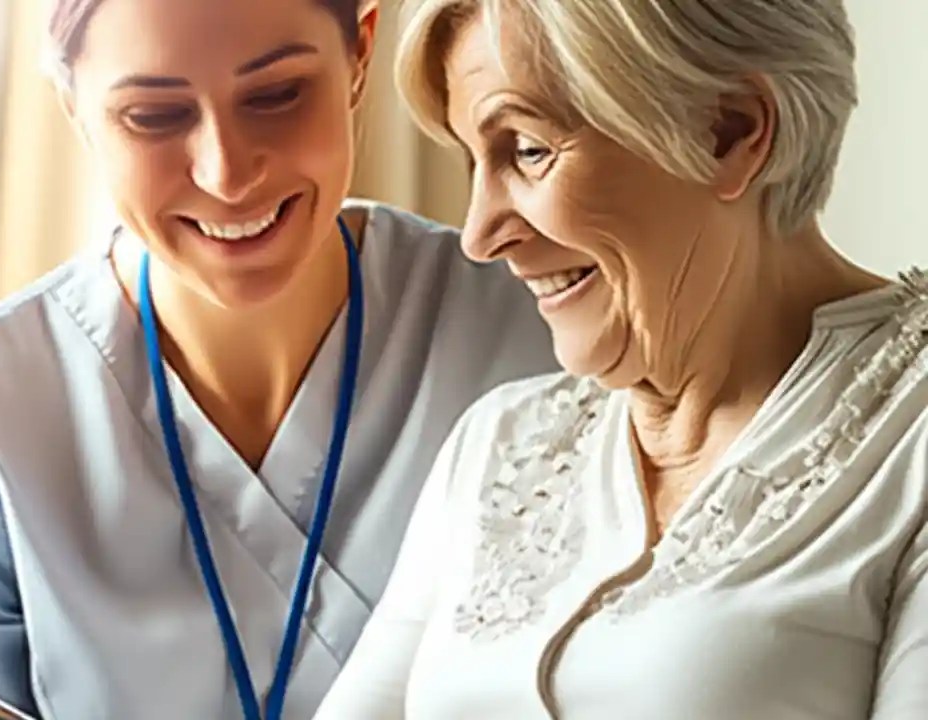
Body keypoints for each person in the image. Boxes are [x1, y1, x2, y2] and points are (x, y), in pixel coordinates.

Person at [0, 0, 557, 718]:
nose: (227, 173)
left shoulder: (538, 330)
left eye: (277, 95)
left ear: (359, 58)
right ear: (75, 108)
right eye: (153, 116)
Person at [315, 0, 928, 717]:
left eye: (528, 149)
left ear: (728, 133)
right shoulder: (498, 444)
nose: (479, 235)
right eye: (472, 161)